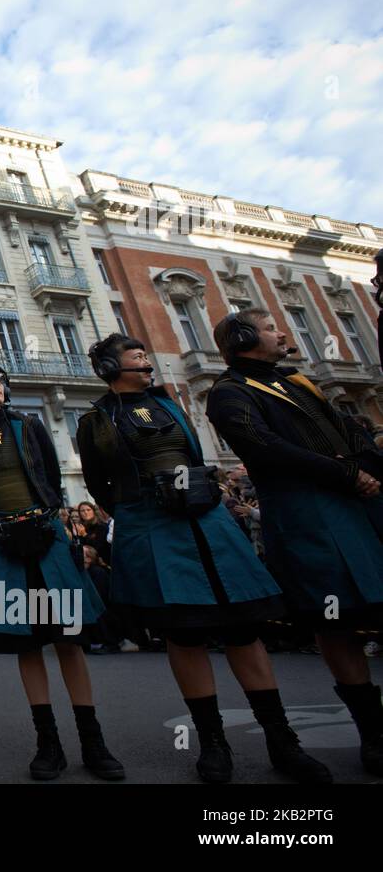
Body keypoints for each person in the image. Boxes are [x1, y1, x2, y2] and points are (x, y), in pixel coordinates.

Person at [80, 332, 330, 782]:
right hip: (154, 526)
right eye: (137, 358)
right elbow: (102, 486)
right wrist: (142, 510)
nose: (147, 363)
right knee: (184, 633)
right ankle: (213, 744)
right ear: (110, 369)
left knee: (242, 627)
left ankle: (283, 741)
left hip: (209, 520)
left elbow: (194, 451)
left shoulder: (170, 403)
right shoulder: (94, 419)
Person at [207, 310, 383, 776]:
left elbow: (346, 428)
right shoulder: (228, 393)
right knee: (336, 620)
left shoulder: (300, 381)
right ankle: (373, 732)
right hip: (308, 516)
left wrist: (364, 464)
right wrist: (344, 472)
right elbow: (264, 447)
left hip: (360, 504)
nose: (281, 333)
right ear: (245, 338)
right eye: (269, 328)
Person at [0, 361, 123, 782]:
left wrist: (42, 520)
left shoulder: (29, 425)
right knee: (25, 643)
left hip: (47, 540)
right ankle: (49, 743)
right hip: (2, 546)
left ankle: (92, 741)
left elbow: (50, 476)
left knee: (68, 641)